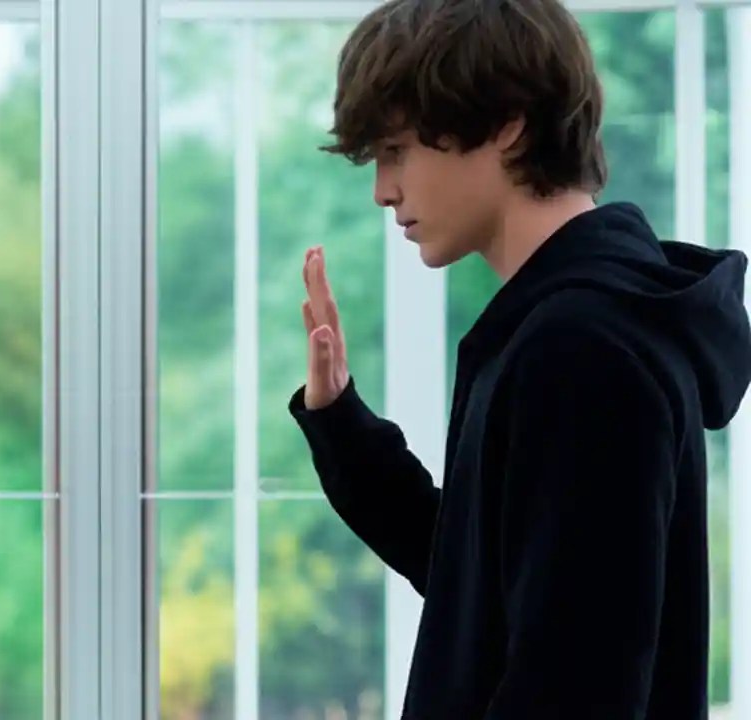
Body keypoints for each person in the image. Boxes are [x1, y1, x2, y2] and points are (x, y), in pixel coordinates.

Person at [289, 0, 751, 717]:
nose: (383, 190)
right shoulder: (571, 325)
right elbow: (479, 585)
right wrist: (341, 421)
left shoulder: (580, 347)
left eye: (397, 150)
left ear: (506, 121)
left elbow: (575, 685)